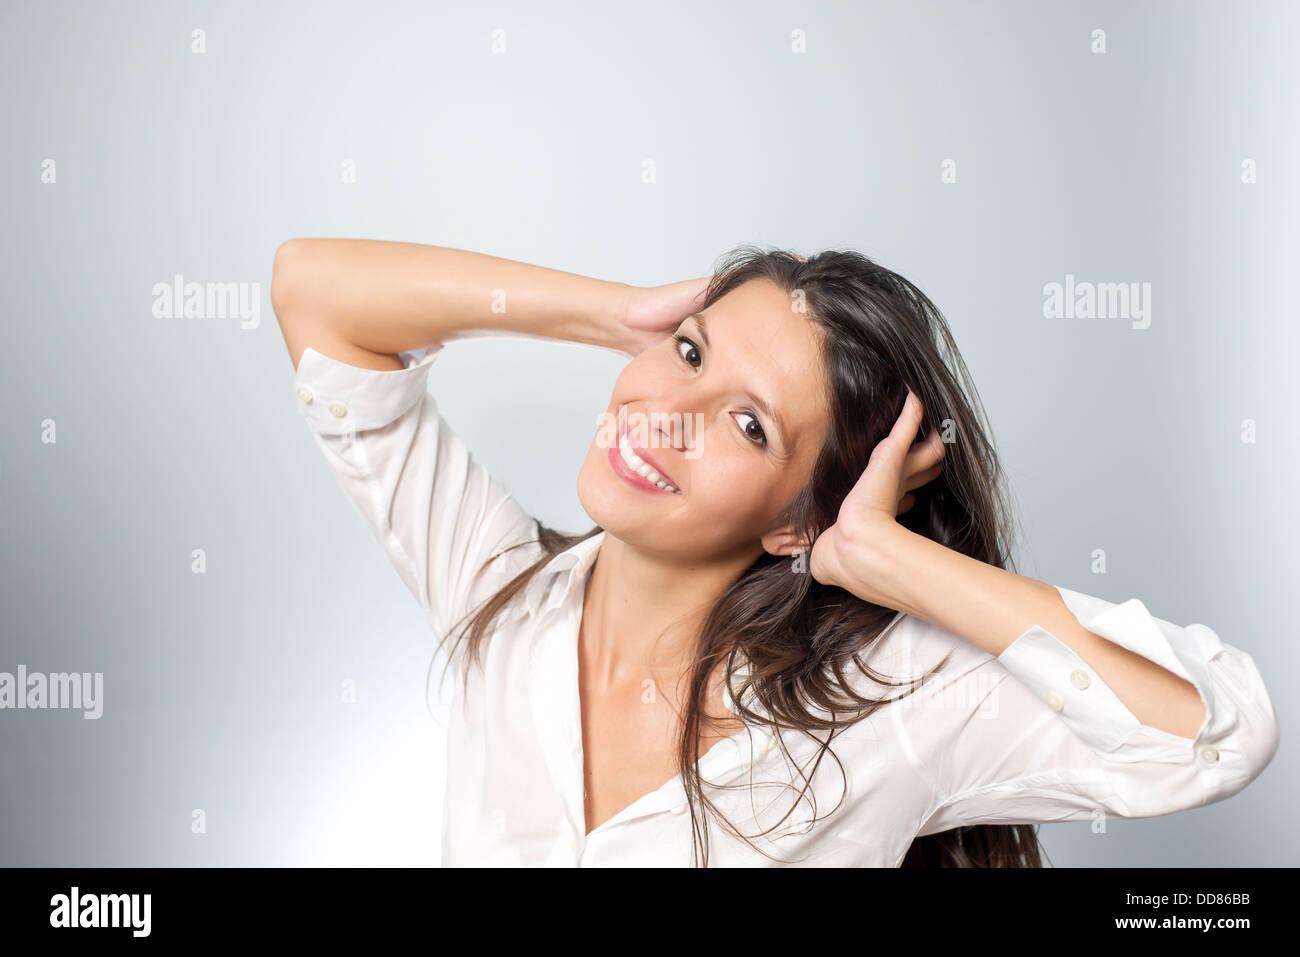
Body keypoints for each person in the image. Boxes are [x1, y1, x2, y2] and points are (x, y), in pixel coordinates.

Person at [270, 238, 1279, 867]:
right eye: (690, 352)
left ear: (799, 525)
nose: (665, 416)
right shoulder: (497, 591)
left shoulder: (888, 709)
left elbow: (1212, 734)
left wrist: (886, 558)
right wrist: (617, 317)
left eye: (748, 426)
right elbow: (315, 292)